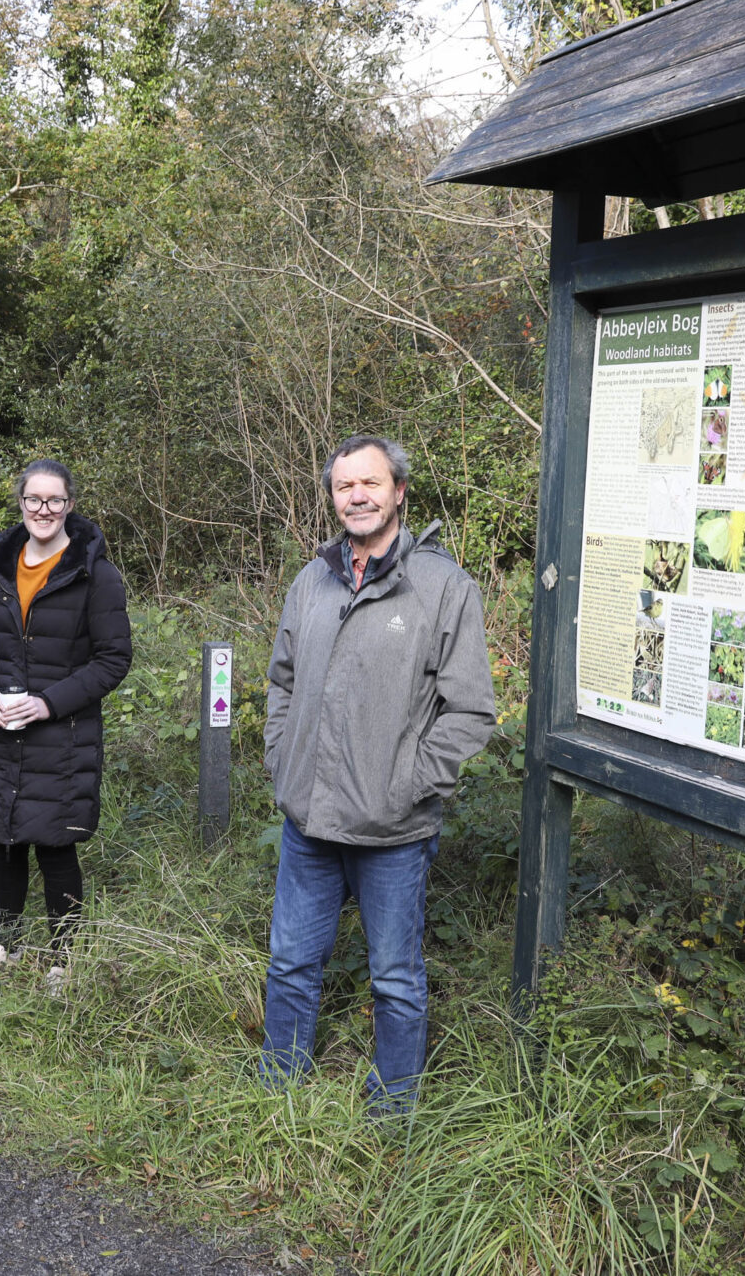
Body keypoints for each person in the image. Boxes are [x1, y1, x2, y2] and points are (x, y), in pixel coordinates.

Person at [260, 435, 496, 1115]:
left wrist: (408, 781)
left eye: (370, 483)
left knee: (394, 978)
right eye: (344, 486)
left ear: (399, 492)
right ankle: (280, 1091)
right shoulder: (314, 580)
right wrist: (284, 760)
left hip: (394, 828)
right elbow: (282, 682)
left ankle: (393, 1109)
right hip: (310, 821)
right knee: (291, 966)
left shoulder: (443, 587)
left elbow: (471, 710)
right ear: (333, 497)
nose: (357, 495)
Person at [0, 460, 131, 985]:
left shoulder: (93, 572)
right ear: (21, 503)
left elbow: (112, 659)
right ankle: (2, 946)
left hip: (63, 730)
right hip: (2, 725)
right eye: (34, 499)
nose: (44, 510)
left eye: (55, 500)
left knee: (56, 843)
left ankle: (64, 959)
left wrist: (48, 704)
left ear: (70, 505)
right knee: (4, 836)